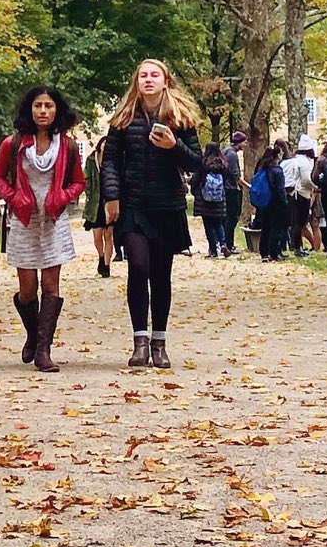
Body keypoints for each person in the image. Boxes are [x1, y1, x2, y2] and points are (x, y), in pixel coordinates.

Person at [99, 57, 205, 369]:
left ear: (165, 81)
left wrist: (174, 145)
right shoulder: (123, 120)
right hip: (133, 205)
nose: (148, 79)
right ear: (137, 82)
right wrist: (112, 197)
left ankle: (159, 342)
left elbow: (195, 164)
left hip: (167, 205)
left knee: (161, 275)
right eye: (143, 74)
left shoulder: (181, 119)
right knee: (138, 268)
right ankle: (140, 341)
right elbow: (111, 162)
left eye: (154, 75)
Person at [0, 83, 85, 373]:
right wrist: (14, 196)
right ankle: (33, 333)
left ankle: (44, 349)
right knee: (27, 289)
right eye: (38, 106)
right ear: (29, 109)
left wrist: (64, 196)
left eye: (48, 106)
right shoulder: (14, 143)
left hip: (54, 219)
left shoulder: (67, 145)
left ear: (57, 110)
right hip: (23, 219)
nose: (43, 111)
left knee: (51, 285)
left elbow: (78, 182)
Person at [247, 142, 289, 260]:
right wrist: (284, 202)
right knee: (276, 228)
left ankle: (264, 252)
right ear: (277, 156)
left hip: (264, 202)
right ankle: (274, 252)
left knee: (265, 227)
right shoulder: (277, 170)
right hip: (276, 203)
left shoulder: (262, 169)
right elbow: (280, 189)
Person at [196, 142, 235, 255]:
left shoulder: (203, 163)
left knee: (208, 224)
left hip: (205, 199)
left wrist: (195, 191)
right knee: (218, 223)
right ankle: (223, 244)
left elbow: (196, 179)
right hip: (219, 198)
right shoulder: (223, 164)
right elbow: (227, 178)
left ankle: (213, 250)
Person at [82, 133, 112, 277]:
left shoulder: (112, 162)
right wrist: (88, 194)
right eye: (103, 144)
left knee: (109, 236)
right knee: (97, 236)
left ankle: (107, 265)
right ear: (99, 145)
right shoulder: (91, 160)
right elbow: (85, 178)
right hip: (95, 203)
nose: (105, 147)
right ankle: (101, 257)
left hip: (109, 201)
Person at [282, 135, 318, 254]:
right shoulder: (305, 162)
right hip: (302, 194)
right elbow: (306, 180)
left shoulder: (295, 160)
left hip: (295, 193)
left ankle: (297, 246)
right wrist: (316, 187)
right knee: (300, 222)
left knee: (296, 222)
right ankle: (297, 247)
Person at [225, 131, 248, 252]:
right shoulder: (232, 155)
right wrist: (248, 186)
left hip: (227, 189)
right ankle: (229, 245)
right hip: (231, 190)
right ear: (238, 143)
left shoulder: (227, 151)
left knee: (228, 217)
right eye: (244, 142)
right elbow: (236, 176)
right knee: (232, 217)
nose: (246, 144)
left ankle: (227, 243)